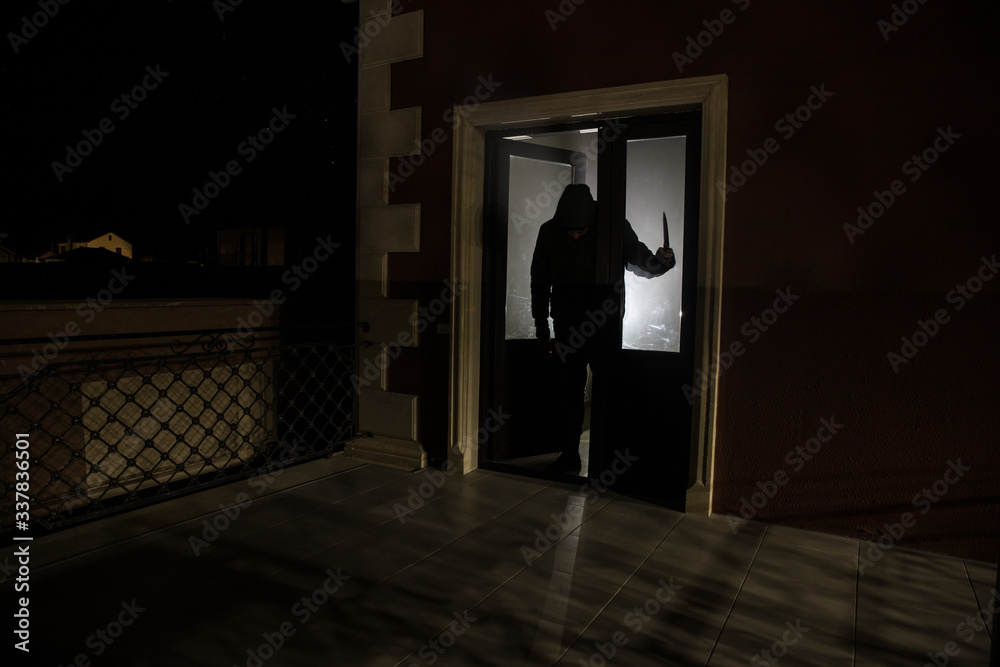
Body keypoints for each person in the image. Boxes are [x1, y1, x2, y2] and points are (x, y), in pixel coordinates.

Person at [530, 183, 675, 473]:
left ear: (591, 221)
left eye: (580, 231)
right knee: (570, 393)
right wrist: (543, 331)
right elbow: (539, 282)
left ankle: (607, 459)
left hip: (603, 324)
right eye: (570, 230)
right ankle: (570, 455)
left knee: (608, 391)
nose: (574, 234)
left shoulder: (613, 227)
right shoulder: (550, 231)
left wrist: (661, 263)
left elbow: (639, 261)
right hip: (568, 325)